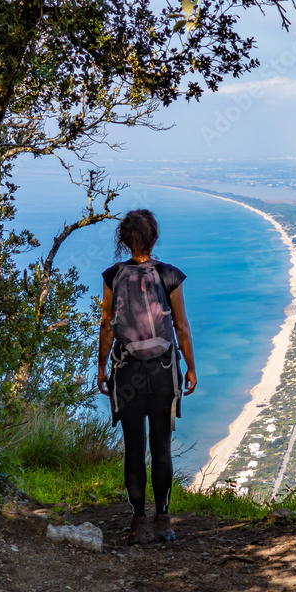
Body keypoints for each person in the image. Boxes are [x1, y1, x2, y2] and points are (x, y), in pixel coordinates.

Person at [98, 209, 197, 545]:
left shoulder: (113, 276)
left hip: (126, 373)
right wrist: (191, 367)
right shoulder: (169, 275)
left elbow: (106, 326)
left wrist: (100, 368)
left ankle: (138, 522)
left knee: (133, 449)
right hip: (163, 373)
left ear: (125, 240)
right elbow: (181, 326)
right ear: (154, 237)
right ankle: (164, 521)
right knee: (162, 449)